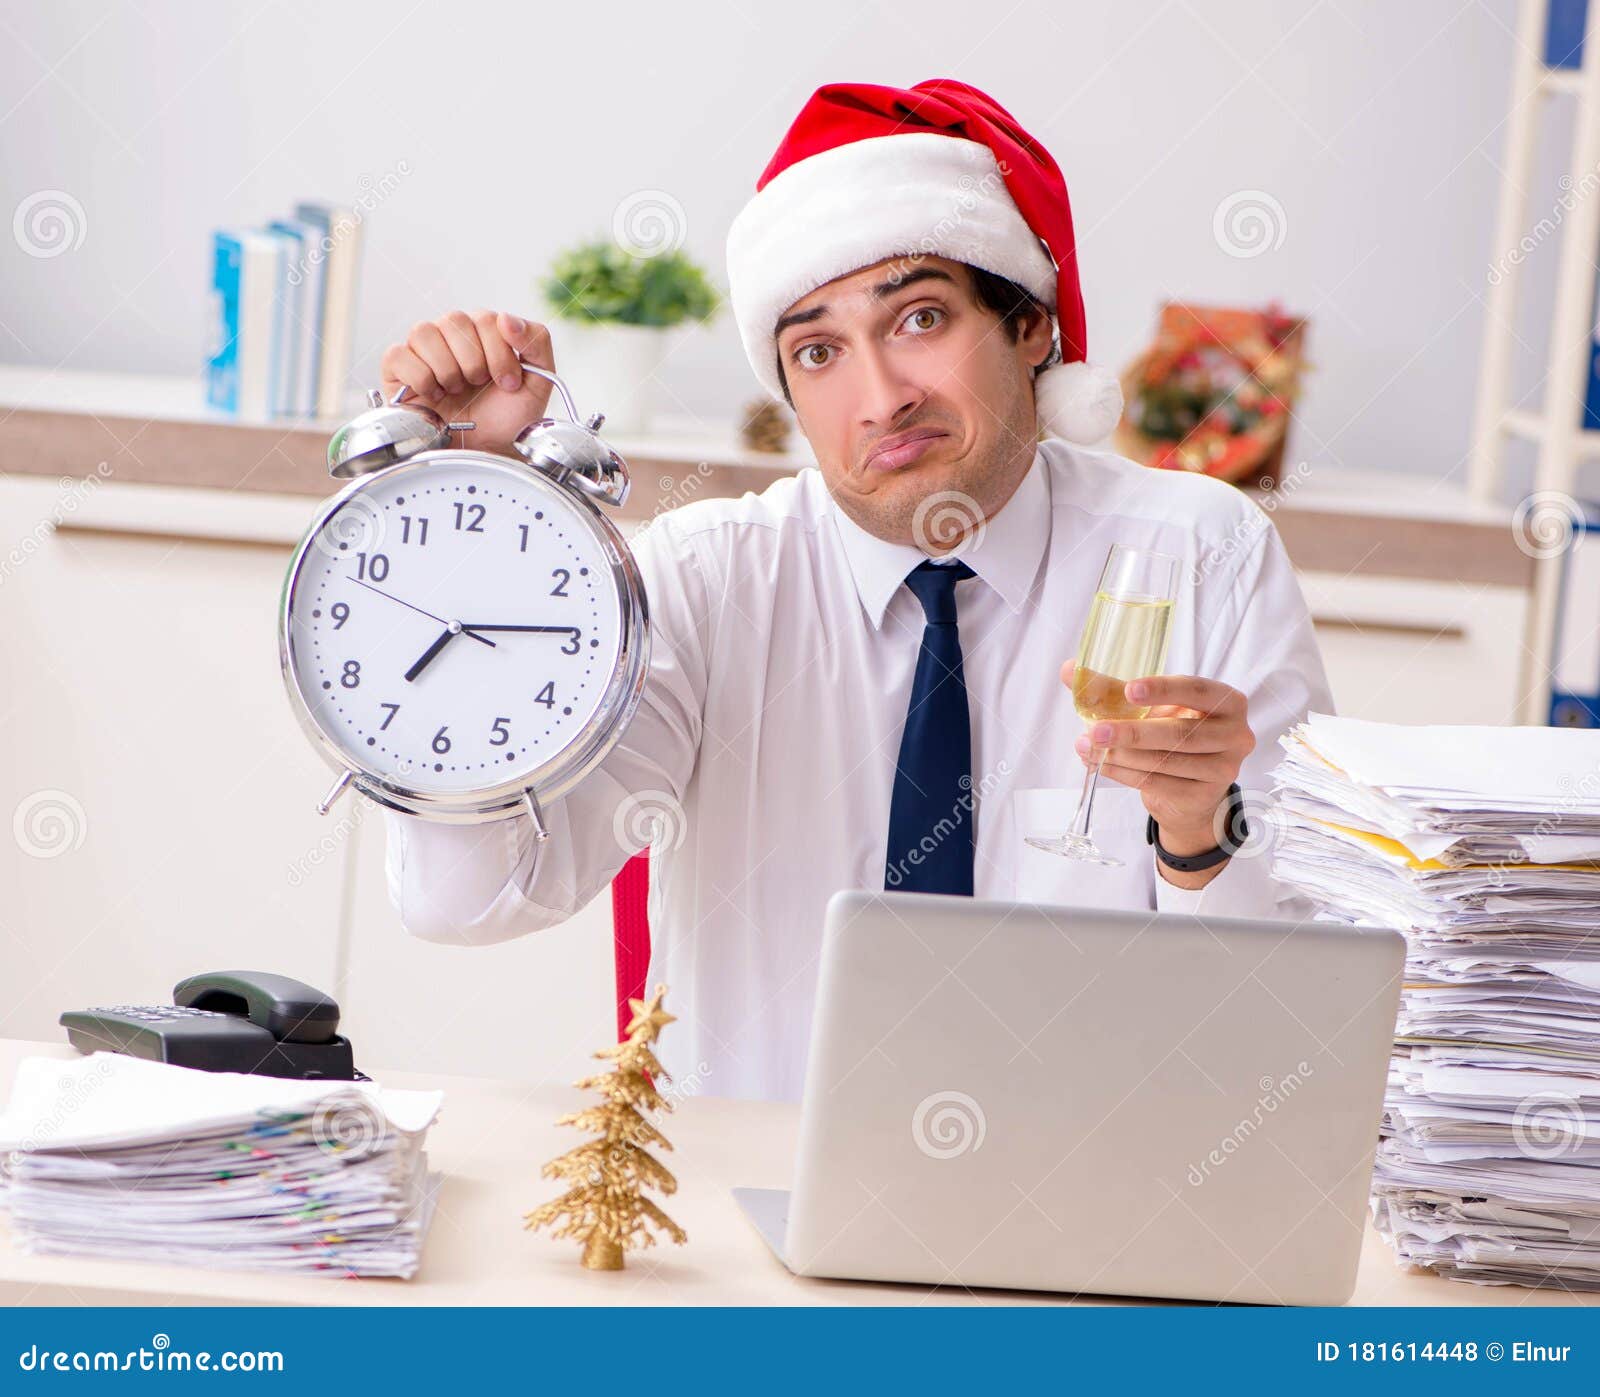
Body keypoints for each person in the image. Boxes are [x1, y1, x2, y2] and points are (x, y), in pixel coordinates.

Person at [379, 78, 1333, 1101]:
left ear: (1029, 329)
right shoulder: (707, 582)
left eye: (919, 317)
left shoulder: (1200, 556)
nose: (881, 398)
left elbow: (1300, 1014)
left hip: (1094, 1214)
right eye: (819, 351)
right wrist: (465, 510)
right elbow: (469, 898)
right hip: (749, 1215)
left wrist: (1200, 833)